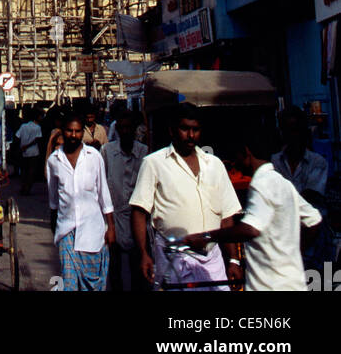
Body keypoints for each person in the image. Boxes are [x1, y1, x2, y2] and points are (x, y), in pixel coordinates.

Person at [181, 125, 322, 291]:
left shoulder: (261, 183)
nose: (235, 162)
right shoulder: (283, 183)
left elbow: (250, 229)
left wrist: (206, 236)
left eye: (237, 156)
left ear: (247, 153)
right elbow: (314, 219)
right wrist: (293, 254)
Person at [129, 103, 242, 289]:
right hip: (174, 257)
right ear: (172, 131)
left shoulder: (214, 164)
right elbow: (139, 212)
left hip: (213, 259)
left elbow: (227, 216)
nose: (190, 135)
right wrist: (143, 254)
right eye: (185, 129)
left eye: (195, 130)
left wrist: (234, 261)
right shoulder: (154, 163)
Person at [47, 112, 115, 291]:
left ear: (82, 133)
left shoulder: (94, 157)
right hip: (66, 230)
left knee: (92, 285)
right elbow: (53, 198)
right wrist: (54, 223)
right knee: (68, 284)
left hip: (92, 230)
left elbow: (103, 194)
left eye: (77, 131)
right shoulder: (54, 160)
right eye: (69, 131)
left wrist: (111, 227)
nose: (74, 135)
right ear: (63, 131)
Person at [271, 107, 332, 273]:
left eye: (296, 130)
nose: (292, 136)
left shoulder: (317, 162)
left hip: (314, 239)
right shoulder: (274, 162)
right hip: (284, 239)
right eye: (287, 130)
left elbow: (310, 198)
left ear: (303, 132)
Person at [101, 109, 148, 291]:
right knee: (115, 267)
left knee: (139, 265)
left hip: (139, 217)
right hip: (114, 216)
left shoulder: (145, 153)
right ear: (117, 129)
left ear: (135, 129)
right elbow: (102, 184)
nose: (126, 131)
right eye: (122, 128)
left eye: (129, 127)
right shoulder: (107, 151)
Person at [16, 106, 43, 194]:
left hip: (23, 152)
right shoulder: (37, 128)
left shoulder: (23, 126)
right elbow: (37, 140)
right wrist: (27, 145)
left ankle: (23, 187)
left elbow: (17, 137)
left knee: (24, 170)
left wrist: (22, 146)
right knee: (31, 171)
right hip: (34, 152)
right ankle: (28, 188)